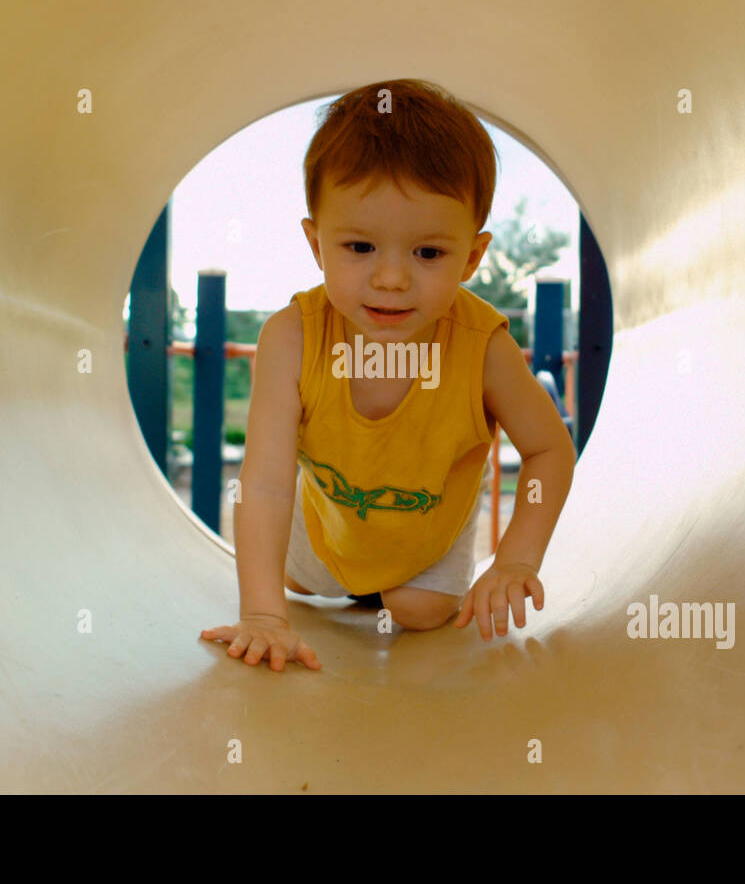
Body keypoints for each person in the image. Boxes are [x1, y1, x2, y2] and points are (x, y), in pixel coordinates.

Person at [200, 79, 576, 671]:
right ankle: (330, 575)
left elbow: (549, 448)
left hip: (430, 531)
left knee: (420, 610)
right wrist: (263, 615)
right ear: (316, 243)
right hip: (325, 525)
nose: (392, 279)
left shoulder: (483, 347)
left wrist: (514, 560)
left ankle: (393, 582)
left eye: (427, 253)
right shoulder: (293, 336)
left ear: (472, 257)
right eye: (359, 247)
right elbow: (266, 480)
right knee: (298, 586)